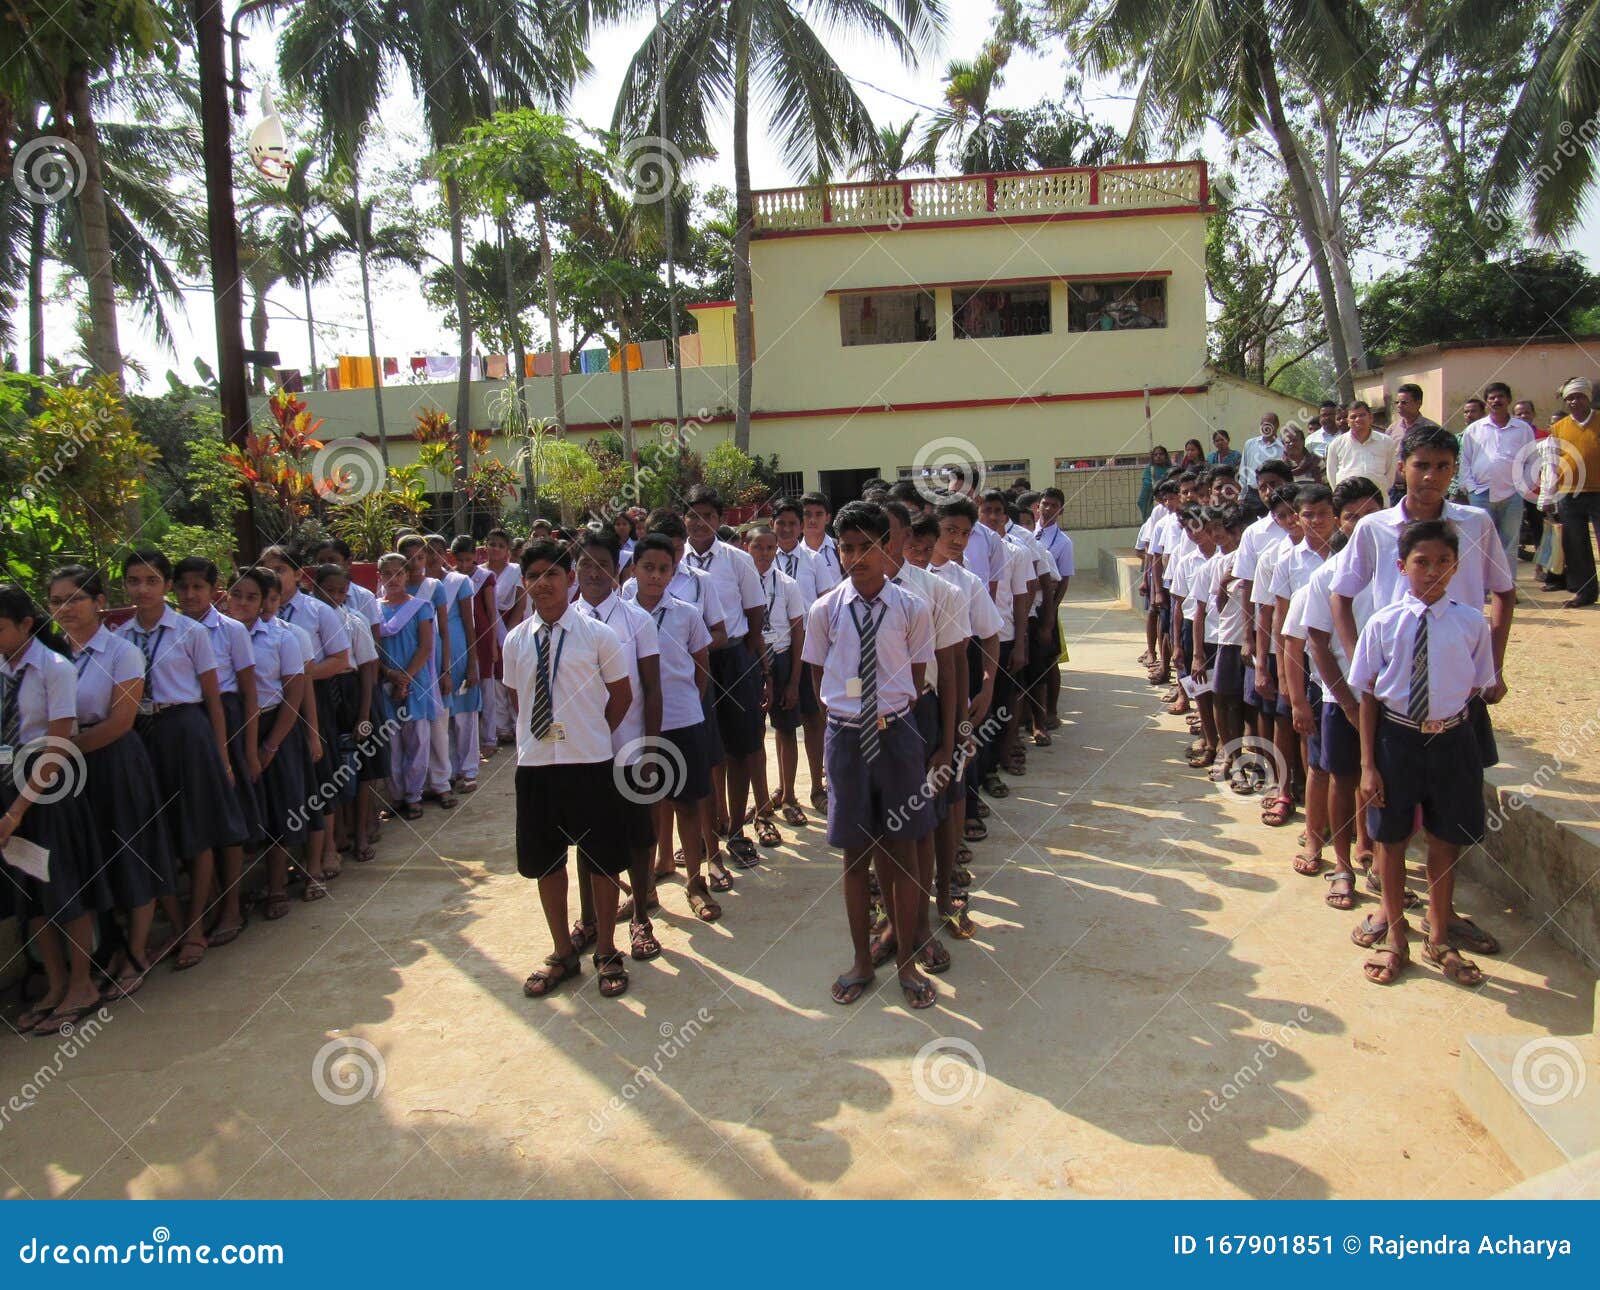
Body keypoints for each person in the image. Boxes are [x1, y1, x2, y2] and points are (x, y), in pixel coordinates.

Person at [1332, 424, 1513, 949]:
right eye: (1421, 465)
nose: (1431, 476)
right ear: (1401, 468)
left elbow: (1503, 592)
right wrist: (1356, 669)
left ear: (1455, 469)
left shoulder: (1476, 524)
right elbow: (1343, 595)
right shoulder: (1374, 529)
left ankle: (1442, 918)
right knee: (1390, 814)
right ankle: (1392, 918)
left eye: (1442, 465)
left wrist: (1493, 669)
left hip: (1456, 694)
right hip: (1393, 701)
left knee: (1446, 818)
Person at [800, 501, 938, 1010]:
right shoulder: (824, 611)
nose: (857, 558)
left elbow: (918, 676)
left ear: (889, 549)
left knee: (902, 853)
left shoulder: (911, 608)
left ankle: (905, 962)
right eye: (847, 548)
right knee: (855, 858)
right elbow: (819, 677)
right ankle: (862, 959)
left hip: (898, 734)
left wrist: (887, 712)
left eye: (868, 547)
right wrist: (847, 714)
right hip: (847, 739)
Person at [1349, 519, 1496, 988]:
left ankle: (1439, 933)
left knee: (1444, 839)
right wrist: (1369, 766)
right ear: (1401, 566)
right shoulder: (1382, 623)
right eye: (1421, 562)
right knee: (1391, 842)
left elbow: (1474, 688)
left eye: (1443, 562)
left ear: (1456, 566)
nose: (1432, 571)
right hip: (1397, 739)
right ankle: (1397, 940)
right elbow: (1368, 696)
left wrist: (1457, 743)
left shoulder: (1472, 623)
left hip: (1451, 740)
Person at [505, 540, 634, 1001]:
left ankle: (605, 949)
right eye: (534, 575)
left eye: (552, 574)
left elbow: (621, 697)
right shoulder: (516, 639)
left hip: (589, 763)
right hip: (537, 766)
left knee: (600, 861)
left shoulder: (598, 635)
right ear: (524, 583)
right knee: (546, 863)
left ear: (570, 579)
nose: (543, 584)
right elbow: (516, 698)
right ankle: (563, 951)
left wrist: (591, 735)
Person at [47, 567, 174, 1002]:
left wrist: (60, 751)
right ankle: (112, 949)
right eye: (57, 601)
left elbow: (121, 721)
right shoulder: (50, 655)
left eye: (75, 599)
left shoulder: (121, 652)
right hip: (66, 770)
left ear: (99, 601)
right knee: (93, 856)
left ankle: (138, 953)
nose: (65, 609)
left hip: (112, 762)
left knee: (132, 852)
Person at [116, 549, 247, 972]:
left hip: (188, 731)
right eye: (134, 581)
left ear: (166, 585)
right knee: (158, 829)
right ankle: (178, 922)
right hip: (140, 733)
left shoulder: (191, 633)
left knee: (199, 828)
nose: (143, 590)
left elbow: (213, 697)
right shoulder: (121, 638)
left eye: (152, 581)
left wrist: (222, 754)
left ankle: (194, 930)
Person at [0, 585, 111, 1035]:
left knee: (63, 885)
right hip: (8, 787)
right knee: (32, 893)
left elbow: (59, 742)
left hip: (46, 789)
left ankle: (82, 984)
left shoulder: (54, 668)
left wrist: (19, 810)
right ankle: (55, 982)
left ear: (26, 625)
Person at [569, 525, 663, 965]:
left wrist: (652, 749)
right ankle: (588, 919)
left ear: (616, 569)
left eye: (602, 565)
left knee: (638, 833)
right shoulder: (563, 619)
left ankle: (641, 914)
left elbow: (652, 689)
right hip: (579, 753)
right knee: (584, 837)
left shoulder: (636, 620)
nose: (593, 572)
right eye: (585, 563)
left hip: (628, 746)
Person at [1291, 477, 1385, 911]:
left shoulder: (1404, 569)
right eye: (1352, 517)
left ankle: (1383, 861)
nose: (1362, 524)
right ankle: (1343, 865)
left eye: (1371, 515)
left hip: (1394, 701)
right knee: (1342, 780)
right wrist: (1346, 701)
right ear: (1341, 523)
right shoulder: (1326, 576)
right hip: (1340, 700)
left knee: (1388, 783)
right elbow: (1315, 644)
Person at [625, 534, 717, 922]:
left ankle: (696, 883)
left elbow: (701, 668)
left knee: (687, 804)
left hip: (682, 720)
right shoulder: (621, 615)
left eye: (664, 569)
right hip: (639, 726)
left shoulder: (686, 613)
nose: (656, 576)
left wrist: (686, 705)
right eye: (648, 568)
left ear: (673, 571)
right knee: (646, 808)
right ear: (634, 569)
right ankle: (645, 891)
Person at [173, 556, 258, 938]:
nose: (190, 594)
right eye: (183, 587)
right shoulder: (165, 630)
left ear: (214, 592)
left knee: (228, 816)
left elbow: (249, 692)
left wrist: (251, 749)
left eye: (198, 587)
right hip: (184, 726)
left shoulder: (230, 630)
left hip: (225, 718)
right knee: (192, 817)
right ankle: (202, 905)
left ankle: (232, 907)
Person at [683, 485, 768, 867]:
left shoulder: (737, 560)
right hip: (689, 664)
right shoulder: (672, 562)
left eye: (708, 515)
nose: (699, 522)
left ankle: (735, 828)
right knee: (702, 750)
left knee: (739, 747)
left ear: (720, 520)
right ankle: (704, 832)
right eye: (692, 514)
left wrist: (746, 658)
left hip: (732, 658)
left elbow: (755, 614)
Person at [229, 566, 320, 920]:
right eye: (237, 595)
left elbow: (294, 693)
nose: (244, 603)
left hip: (275, 725)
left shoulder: (284, 637)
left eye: (253, 597)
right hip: (235, 727)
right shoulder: (217, 635)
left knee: (281, 808)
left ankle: (278, 884)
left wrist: (269, 746)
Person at [748, 524, 808, 833]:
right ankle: (761, 803)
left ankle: (789, 795)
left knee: (786, 730)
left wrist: (795, 680)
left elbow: (799, 630)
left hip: (783, 658)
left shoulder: (788, 584)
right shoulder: (741, 585)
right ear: (747, 548)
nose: (764, 553)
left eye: (770, 548)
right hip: (752, 662)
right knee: (754, 734)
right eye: (758, 547)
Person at [373, 552, 439, 820]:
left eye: (398, 573)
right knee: (391, 743)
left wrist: (406, 677)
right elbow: (373, 648)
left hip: (415, 681)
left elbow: (425, 646)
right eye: (387, 573)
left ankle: (414, 796)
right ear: (380, 577)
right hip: (386, 680)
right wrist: (389, 674)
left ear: (407, 575)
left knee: (417, 739)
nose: (393, 579)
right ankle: (396, 796)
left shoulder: (420, 607)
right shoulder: (374, 608)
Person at [770, 497, 825, 816]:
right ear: (773, 525)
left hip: (810, 649)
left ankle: (817, 786)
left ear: (801, 526)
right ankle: (786, 789)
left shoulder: (814, 560)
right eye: (782, 523)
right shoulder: (762, 557)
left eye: (794, 523)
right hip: (780, 650)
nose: (788, 528)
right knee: (783, 724)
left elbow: (824, 602)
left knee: (813, 717)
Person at [1460, 381, 1536, 576]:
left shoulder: (1522, 429)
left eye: (1500, 396)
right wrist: (1471, 488)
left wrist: (1522, 487)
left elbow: (1531, 460)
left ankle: (1506, 588)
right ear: (1486, 402)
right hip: (1480, 494)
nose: (1496, 400)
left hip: (1512, 495)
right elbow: (1465, 461)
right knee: (1481, 543)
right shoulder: (1474, 429)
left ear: (1508, 400)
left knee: (1509, 543)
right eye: (1492, 398)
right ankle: (1482, 589)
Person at [425, 536, 481, 794]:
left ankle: (468, 770)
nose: (431, 557)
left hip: (458, 652)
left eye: (436, 551)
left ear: (444, 553)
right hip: (430, 657)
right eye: (425, 552)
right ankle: (445, 773)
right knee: (440, 718)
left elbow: (470, 625)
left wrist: (472, 663)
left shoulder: (459, 582)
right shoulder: (418, 585)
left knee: (465, 714)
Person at [1539, 376, 1600, 607]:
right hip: (1568, 494)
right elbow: (1551, 464)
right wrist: (1547, 495)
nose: (1574, 401)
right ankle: (1585, 593)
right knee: (1575, 546)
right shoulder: (1558, 428)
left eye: (1579, 397)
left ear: (1588, 398)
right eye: (1570, 398)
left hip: (1598, 491)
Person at [1324, 400, 1398, 493]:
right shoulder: (1336, 444)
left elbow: (1390, 474)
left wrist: (1382, 490)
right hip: (1348, 501)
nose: (1358, 419)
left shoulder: (1386, 442)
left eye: (1362, 415)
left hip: (1379, 500)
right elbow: (1331, 475)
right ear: (1348, 421)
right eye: (1353, 417)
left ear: (1370, 417)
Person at [1240, 414, 1282, 488]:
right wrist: (1241, 495)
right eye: (1263, 424)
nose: (1266, 427)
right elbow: (1243, 470)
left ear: (1277, 425)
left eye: (1269, 424)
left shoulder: (1283, 447)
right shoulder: (1250, 444)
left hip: (1274, 492)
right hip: (1252, 493)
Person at [1138, 445, 1172, 519]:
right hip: (1153, 500)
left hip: (1169, 499)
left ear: (1165, 456)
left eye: (1161, 454)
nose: (1158, 456)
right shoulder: (1150, 470)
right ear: (1152, 457)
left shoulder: (1171, 469)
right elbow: (1146, 484)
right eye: (1156, 454)